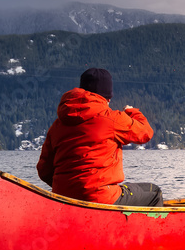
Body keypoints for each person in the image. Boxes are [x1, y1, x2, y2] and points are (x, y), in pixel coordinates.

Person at [37, 67, 164, 207]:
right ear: (107, 97)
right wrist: (131, 112)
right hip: (100, 197)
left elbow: (44, 170)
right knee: (154, 193)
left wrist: (70, 189)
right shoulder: (112, 119)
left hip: (63, 199)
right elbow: (146, 133)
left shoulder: (57, 125)